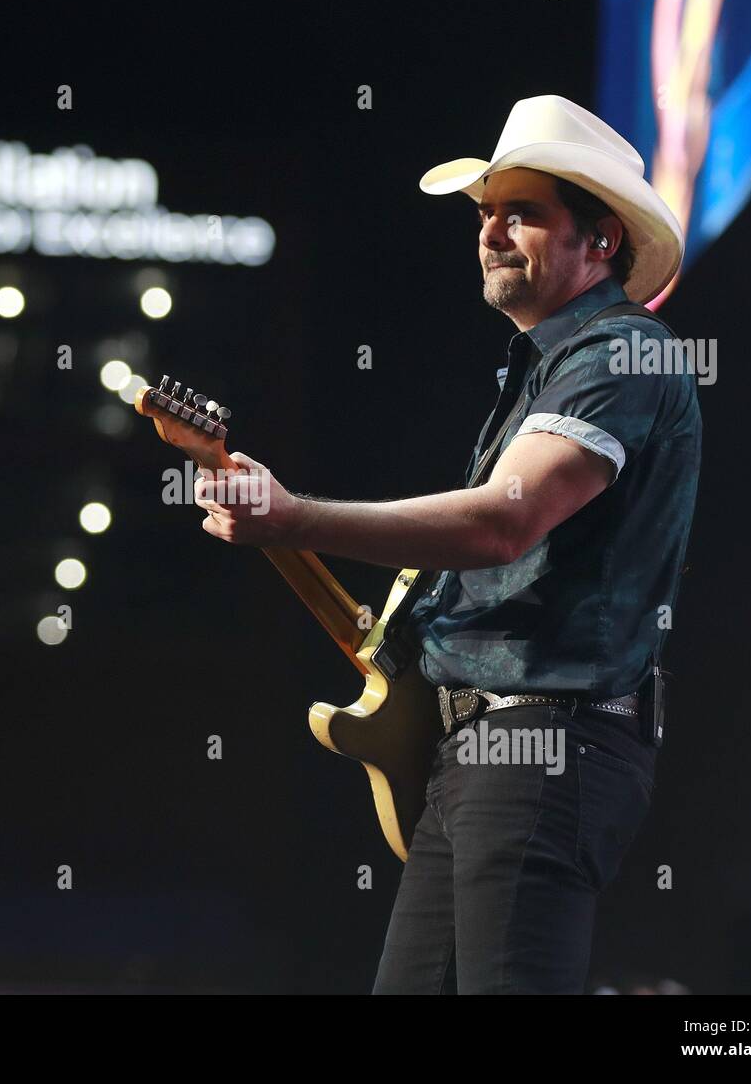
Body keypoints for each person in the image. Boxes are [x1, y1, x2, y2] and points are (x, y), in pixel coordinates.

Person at [192, 95, 701, 994]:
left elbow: (502, 523)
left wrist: (294, 517)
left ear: (601, 241)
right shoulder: (546, 368)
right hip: (483, 753)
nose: (493, 232)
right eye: (485, 214)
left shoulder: (624, 354)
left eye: (524, 212)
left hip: (545, 748)